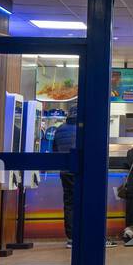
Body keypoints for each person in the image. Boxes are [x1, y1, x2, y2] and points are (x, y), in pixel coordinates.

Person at [52, 106, 78, 249]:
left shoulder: (60, 129)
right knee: (87, 202)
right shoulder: (84, 129)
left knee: (69, 204)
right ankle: (88, 235)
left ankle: (71, 238)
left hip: (65, 172)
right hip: (81, 172)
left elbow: (55, 151)